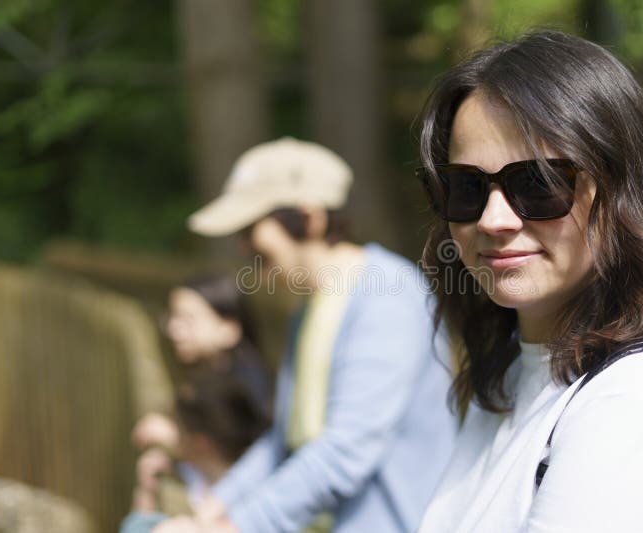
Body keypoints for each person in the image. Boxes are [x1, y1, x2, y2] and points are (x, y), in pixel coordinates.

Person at [413, 31, 643, 532]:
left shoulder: (639, 400)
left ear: (620, 191)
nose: (493, 220)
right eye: (466, 187)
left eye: (537, 184)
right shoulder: (512, 374)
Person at [153, 137, 457, 533]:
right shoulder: (310, 310)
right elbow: (285, 441)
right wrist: (219, 504)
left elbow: (346, 451)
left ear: (309, 219)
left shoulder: (386, 297)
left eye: (251, 228)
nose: (244, 246)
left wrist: (233, 526)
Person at [133, 275, 271, 455]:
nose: (173, 329)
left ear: (229, 329)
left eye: (188, 320)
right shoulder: (208, 375)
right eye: (172, 317)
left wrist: (175, 441)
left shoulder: (244, 387)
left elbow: (237, 453)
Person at [121, 368, 270, 533]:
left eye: (175, 423)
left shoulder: (244, 504)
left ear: (201, 442)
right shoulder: (180, 472)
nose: (165, 429)